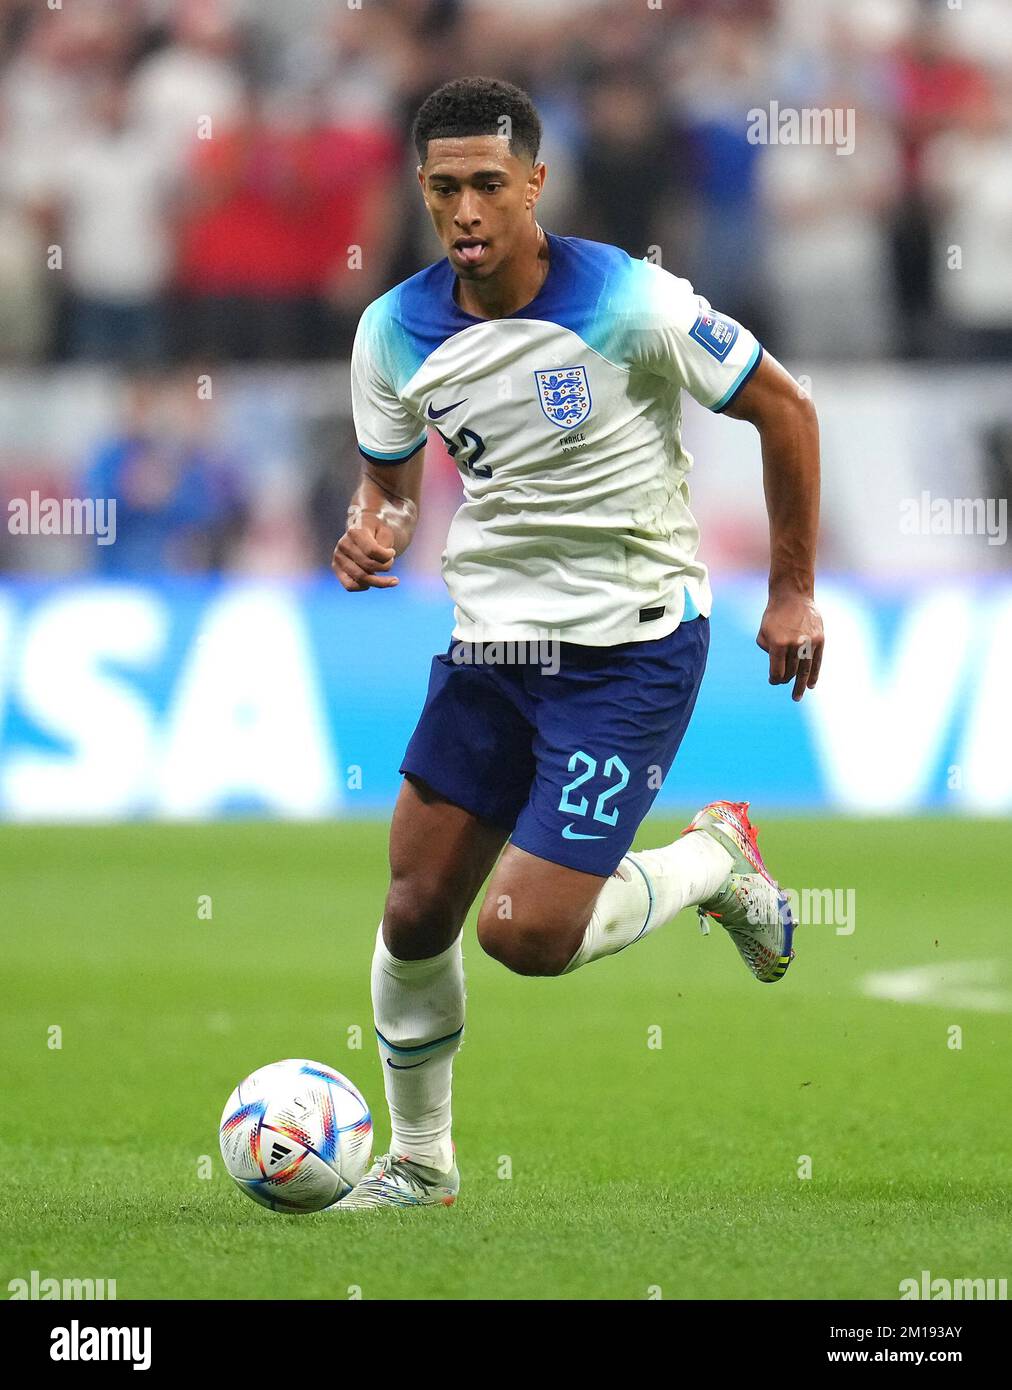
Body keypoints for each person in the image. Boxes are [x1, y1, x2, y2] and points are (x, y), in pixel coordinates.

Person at [330, 77, 824, 1209]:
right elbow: (390, 485)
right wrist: (377, 529)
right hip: (490, 650)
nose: (466, 211)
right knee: (413, 911)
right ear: (421, 188)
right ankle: (419, 1162)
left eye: (488, 186)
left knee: (524, 936)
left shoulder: (631, 303)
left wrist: (791, 590)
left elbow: (785, 409)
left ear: (535, 184)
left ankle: (712, 860)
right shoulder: (392, 330)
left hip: (628, 651)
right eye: (445, 187)